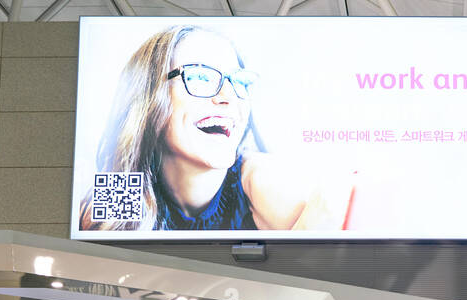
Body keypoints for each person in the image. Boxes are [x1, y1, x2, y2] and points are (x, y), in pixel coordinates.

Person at [78, 25, 353, 233]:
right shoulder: (118, 191)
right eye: (199, 76)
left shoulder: (263, 180)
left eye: (239, 82)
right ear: (149, 98)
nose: (228, 97)